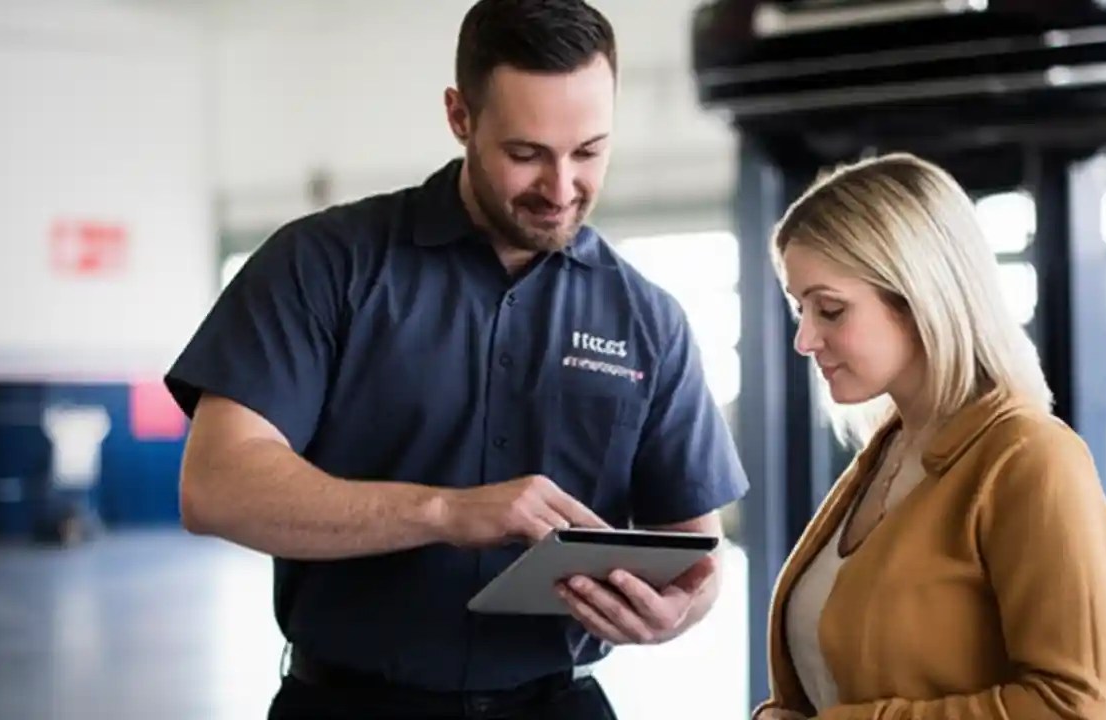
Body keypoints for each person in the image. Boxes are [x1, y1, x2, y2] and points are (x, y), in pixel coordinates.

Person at [164, 1, 748, 717]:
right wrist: (444, 511)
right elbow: (217, 485)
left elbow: (696, 553)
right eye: (527, 153)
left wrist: (675, 614)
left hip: (557, 704)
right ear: (460, 116)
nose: (561, 188)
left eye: (590, 151)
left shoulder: (649, 319)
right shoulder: (322, 266)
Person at [754, 153, 1106, 720]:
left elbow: (1077, 708)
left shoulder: (1030, 460)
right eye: (798, 308)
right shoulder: (888, 453)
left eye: (830, 309)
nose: (804, 339)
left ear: (920, 298)